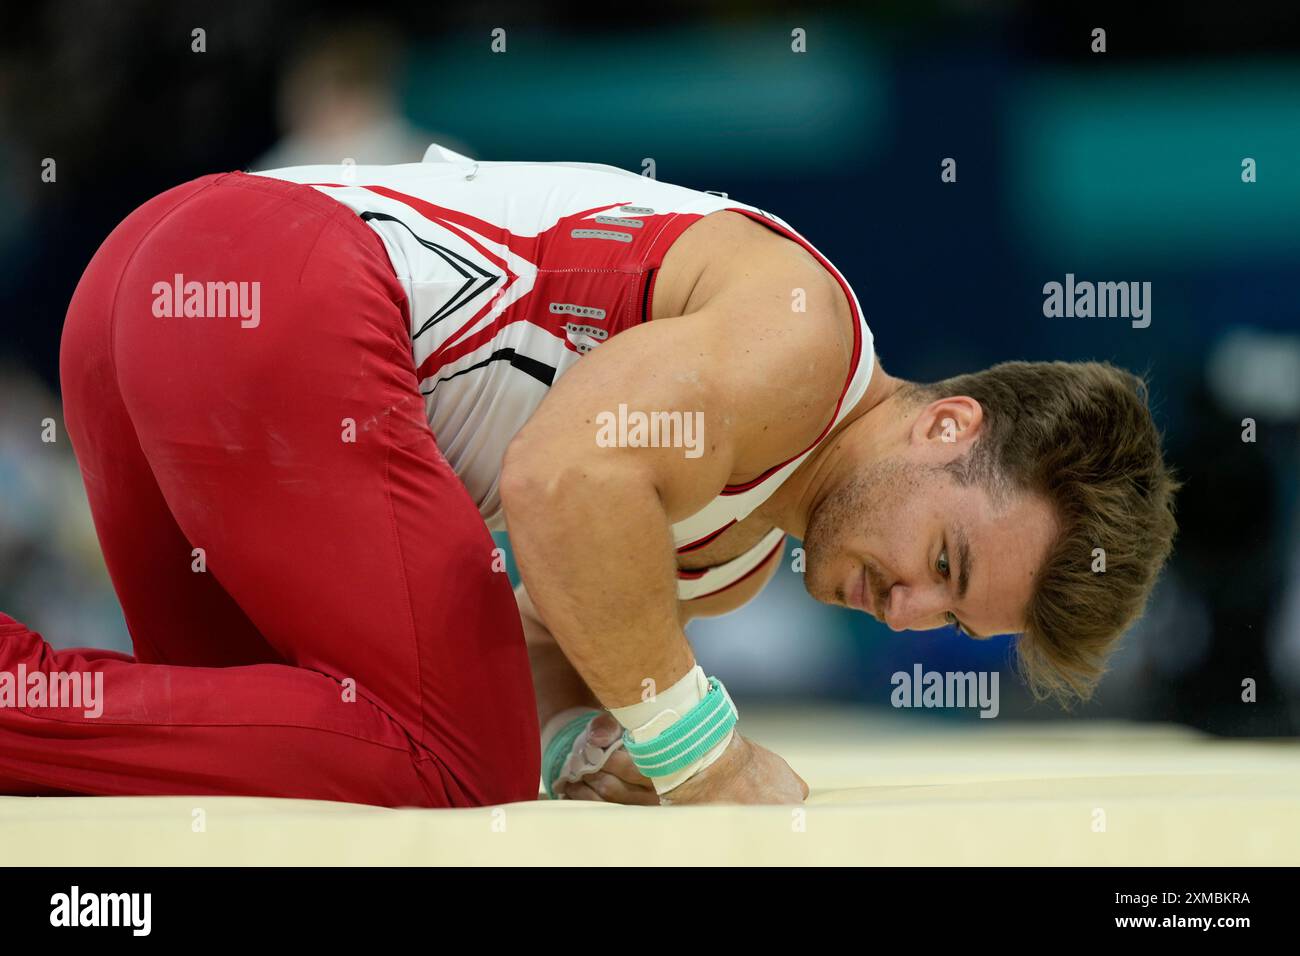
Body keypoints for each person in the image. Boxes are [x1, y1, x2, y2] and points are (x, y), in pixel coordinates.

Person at [0, 145, 1179, 807]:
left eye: (950, 616)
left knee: (268, 770)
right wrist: (702, 753)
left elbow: (504, 649)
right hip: (262, 285)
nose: (910, 610)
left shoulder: (727, 562)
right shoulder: (800, 338)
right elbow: (568, 478)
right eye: (945, 562)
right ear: (947, 427)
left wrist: (585, 746)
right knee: (449, 765)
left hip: (150, 298)